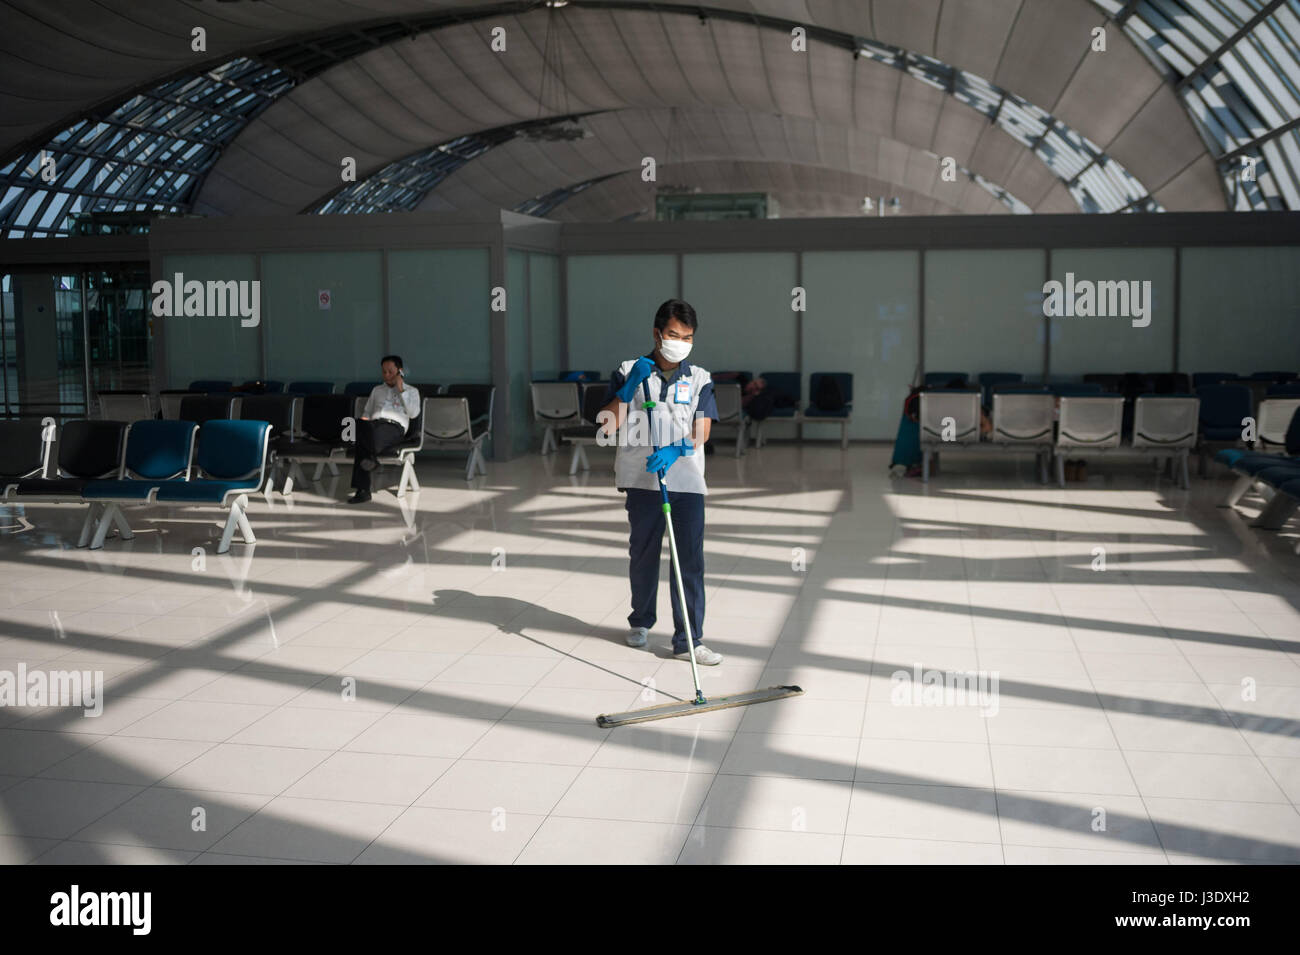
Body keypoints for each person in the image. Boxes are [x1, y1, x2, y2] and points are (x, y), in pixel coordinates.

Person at [599, 299, 722, 665]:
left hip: (686, 482)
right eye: (673, 334)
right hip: (641, 480)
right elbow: (608, 424)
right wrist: (627, 389)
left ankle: (689, 640)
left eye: (687, 337)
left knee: (689, 561)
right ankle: (640, 622)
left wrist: (675, 449)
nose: (680, 342)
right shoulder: (627, 370)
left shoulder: (700, 377)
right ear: (657, 333)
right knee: (643, 555)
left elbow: (702, 429)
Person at [348, 355, 420, 504]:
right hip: (373, 426)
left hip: (394, 427)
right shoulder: (377, 390)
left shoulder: (412, 391)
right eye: (384, 372)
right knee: (357, 425)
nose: (386, 375)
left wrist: (401, 390)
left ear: (400, 372)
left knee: (365, 442)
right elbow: (367, 413)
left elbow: (413, 413)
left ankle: (363, 490)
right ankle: (372, 460)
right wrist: (361, 426)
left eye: (390, 372)